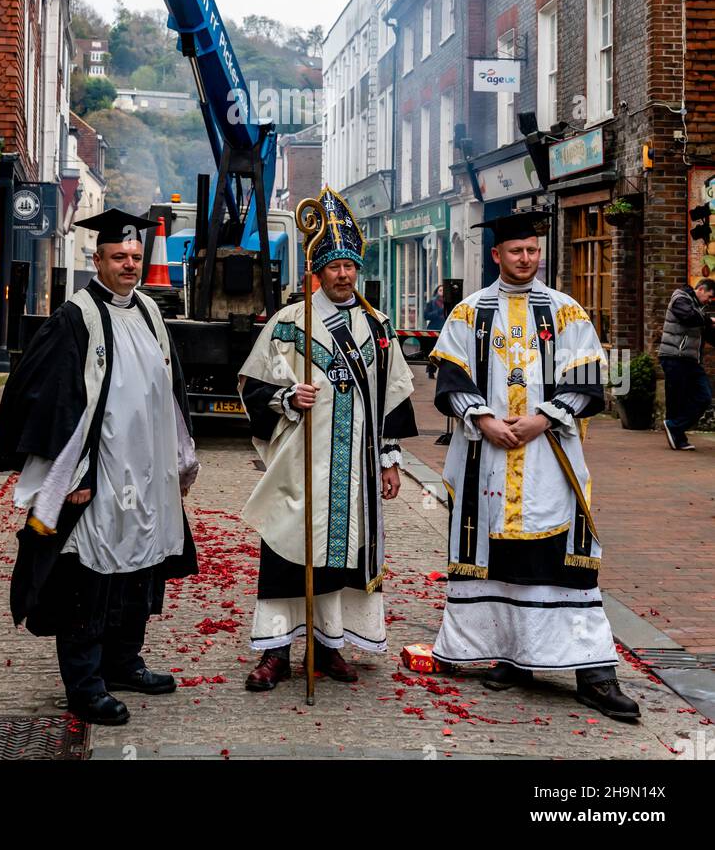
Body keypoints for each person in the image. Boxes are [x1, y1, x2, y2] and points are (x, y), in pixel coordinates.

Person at [429, 209, 640, 721]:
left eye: (532, 251)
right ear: (496, 255)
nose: (526, 259)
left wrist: (543, 419)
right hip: (487, 456)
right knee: (495, 553)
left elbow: (589, 381)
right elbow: (450, 382)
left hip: (550, 455)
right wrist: (481, 420)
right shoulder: (468, 314)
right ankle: (512, 657)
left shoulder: (568, 312)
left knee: (562, 554)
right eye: (516, 251)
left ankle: (593, 672)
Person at [0, 208, 198, 726]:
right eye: (117, 257)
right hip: (98, 478)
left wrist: (180, 460)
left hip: (147, 477)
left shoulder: (150, 312)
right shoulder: (74, 319)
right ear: (97, 259)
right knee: (87, 579)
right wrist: (72, 478)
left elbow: (168, 392)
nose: (128, 265)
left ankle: (124, 663)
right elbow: (53, 403)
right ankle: (85, 683)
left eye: (133, 257)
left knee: (140, 570)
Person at [236, 186, 418, 690]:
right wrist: (288, 399)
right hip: (301, 465)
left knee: (342, 559)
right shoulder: (290, 324)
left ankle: (327, 646)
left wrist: (389, 459)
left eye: (350, 266)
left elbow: (394, 400)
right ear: (317, 270)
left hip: (355, 468)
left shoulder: (378, 329)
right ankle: (275, 651)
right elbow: (253, 390)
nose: (344, 275)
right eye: (334, 266)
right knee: (286, 552)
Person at [658, 278, 715, 450]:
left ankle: (675, 426)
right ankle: (678, 437)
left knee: (703, 397)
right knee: (677, 399)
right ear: (701, 290)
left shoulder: (698, 308)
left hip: (689, 359)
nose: (710, 301)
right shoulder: (680, 298)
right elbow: (688, 317)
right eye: (710, 297)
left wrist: (708, 323)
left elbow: (708, 334)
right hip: (674, 356)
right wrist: (708, 319)